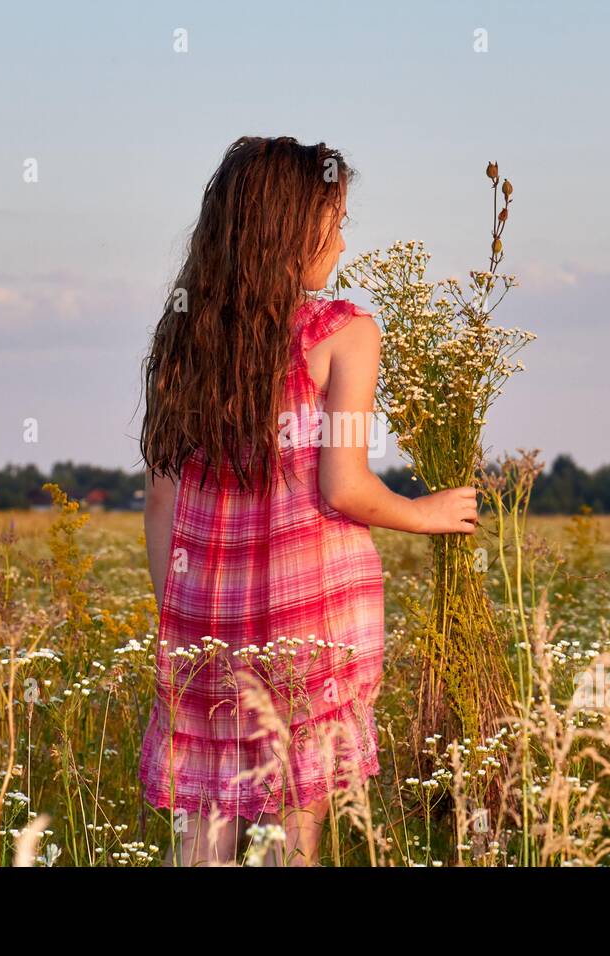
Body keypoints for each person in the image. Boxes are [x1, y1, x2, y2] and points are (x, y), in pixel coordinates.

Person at [137, 135, 477, 866]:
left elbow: (161, 501)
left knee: (205, 826)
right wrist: (427, 512)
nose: (347, 238)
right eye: (338, 217)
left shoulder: (185, 339)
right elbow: (344, 485)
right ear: (292, 230)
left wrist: (185, 626)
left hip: (205, 622)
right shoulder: (344, 333)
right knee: (292, 824)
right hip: (310, 614)